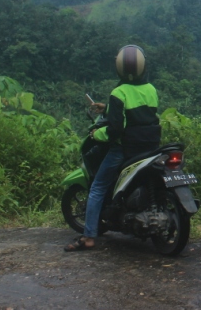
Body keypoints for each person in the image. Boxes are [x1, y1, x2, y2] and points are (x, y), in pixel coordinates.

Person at [65, 44, 161, 252]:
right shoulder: (151, 89)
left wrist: (96, 134)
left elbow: (116, 130)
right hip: (151, 147)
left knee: (98, 187)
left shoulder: (118, 92)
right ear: (143, 66)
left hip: (125, 149)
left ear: (119, 68)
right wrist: (107, 108)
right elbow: (138, 114)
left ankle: (88, 237)